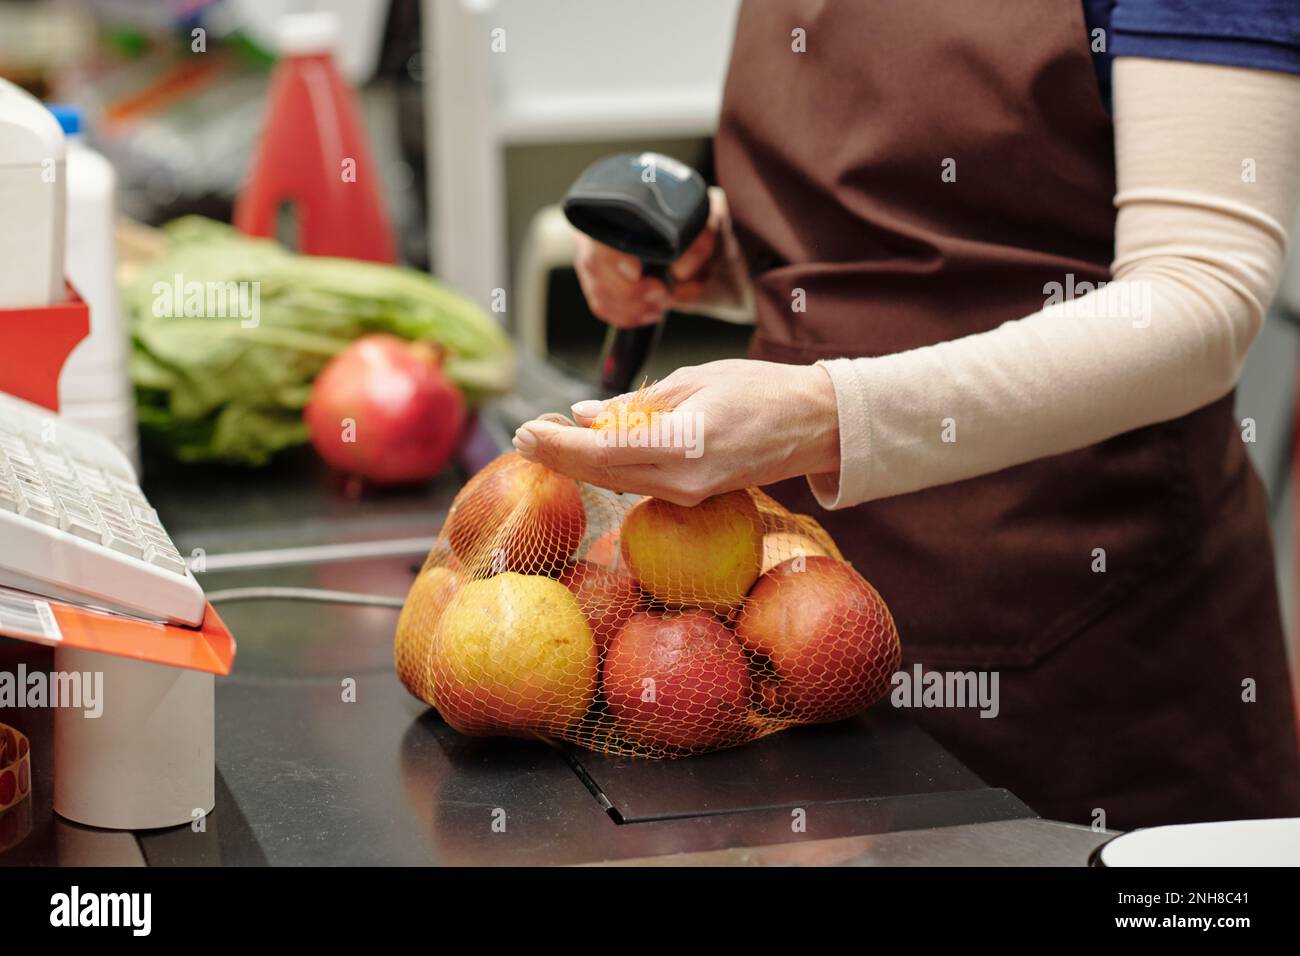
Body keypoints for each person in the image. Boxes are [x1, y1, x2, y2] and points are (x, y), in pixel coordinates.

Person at [512, 0, 1300, 830]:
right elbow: (918, 237)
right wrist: (732, 258)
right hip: (785, 633)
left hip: (1077, 634)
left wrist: (827, 415)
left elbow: (1197, 301)